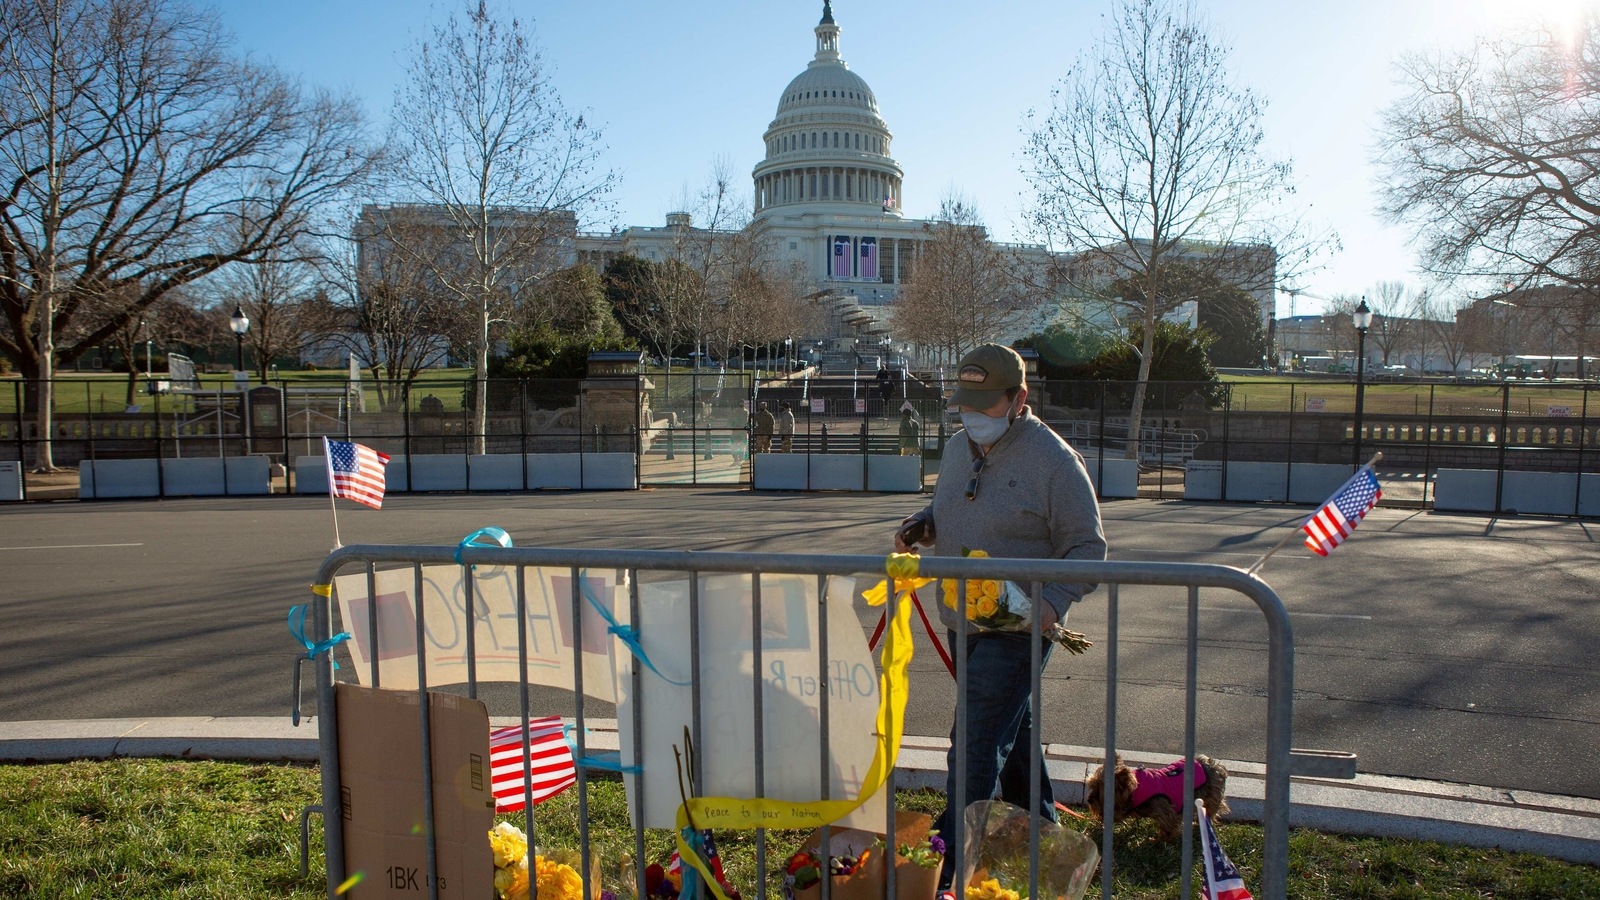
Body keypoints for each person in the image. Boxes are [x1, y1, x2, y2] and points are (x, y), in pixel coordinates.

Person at [892, 343, 1106, 889]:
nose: (972, 415)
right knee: (1013, 727)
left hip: (1019, 625)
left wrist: (1050, 604)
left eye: (986, 404)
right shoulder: (961, 446)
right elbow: (952, 509)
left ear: (1019, 399)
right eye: (966, 403)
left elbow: (1087, 547)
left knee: (977, 737)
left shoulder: (1056, 462)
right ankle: (1041, 830)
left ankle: (949, 861)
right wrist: (922, 525)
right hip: (962, 619)